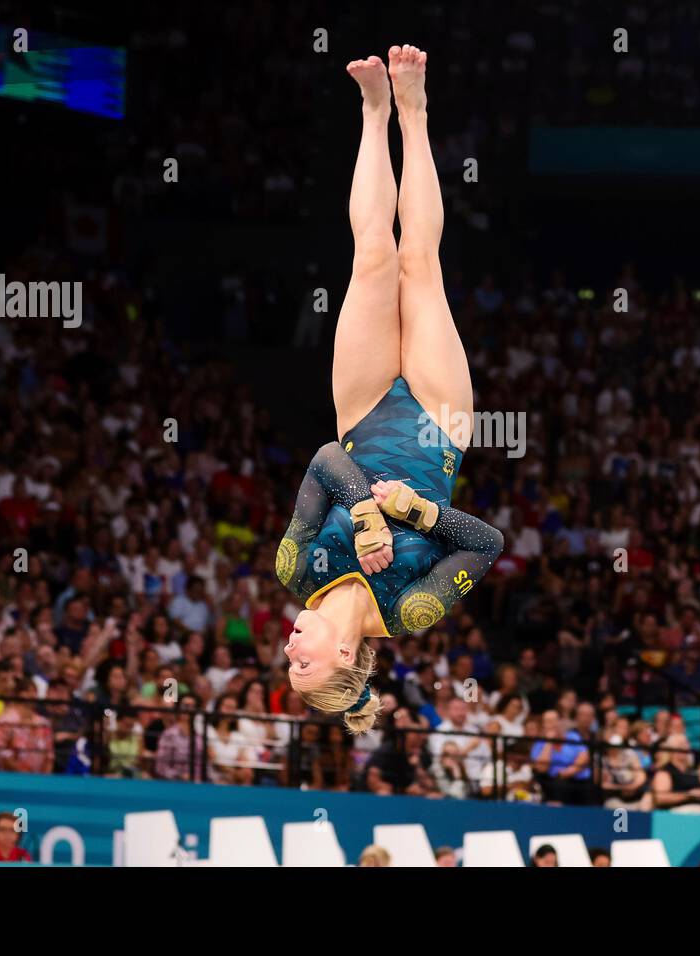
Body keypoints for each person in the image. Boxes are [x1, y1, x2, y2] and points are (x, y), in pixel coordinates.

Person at [276, 47, 503, 735]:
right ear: (346, 655)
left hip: (362, 412)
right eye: (303, 664)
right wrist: (417, 512)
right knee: (420, 263)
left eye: (289, 662)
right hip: (435, 429)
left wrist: (367, 515)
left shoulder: (295, 568)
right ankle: (416, 112)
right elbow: (485, 544)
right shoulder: (410, 610)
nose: (290, 648)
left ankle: (374, 112)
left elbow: (324, 459)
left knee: (373, 255)